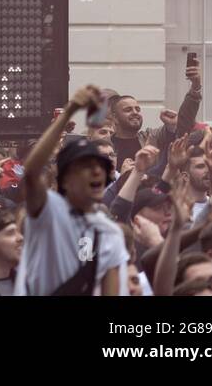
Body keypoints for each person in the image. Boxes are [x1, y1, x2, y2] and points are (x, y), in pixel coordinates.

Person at [15, 85, 128, 295]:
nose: (96, 172)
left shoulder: (109, 232)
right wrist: (68, 112)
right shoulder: (49, 210)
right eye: (86, 167)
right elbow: (32, 170)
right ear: (65, 179)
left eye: (100, 167)